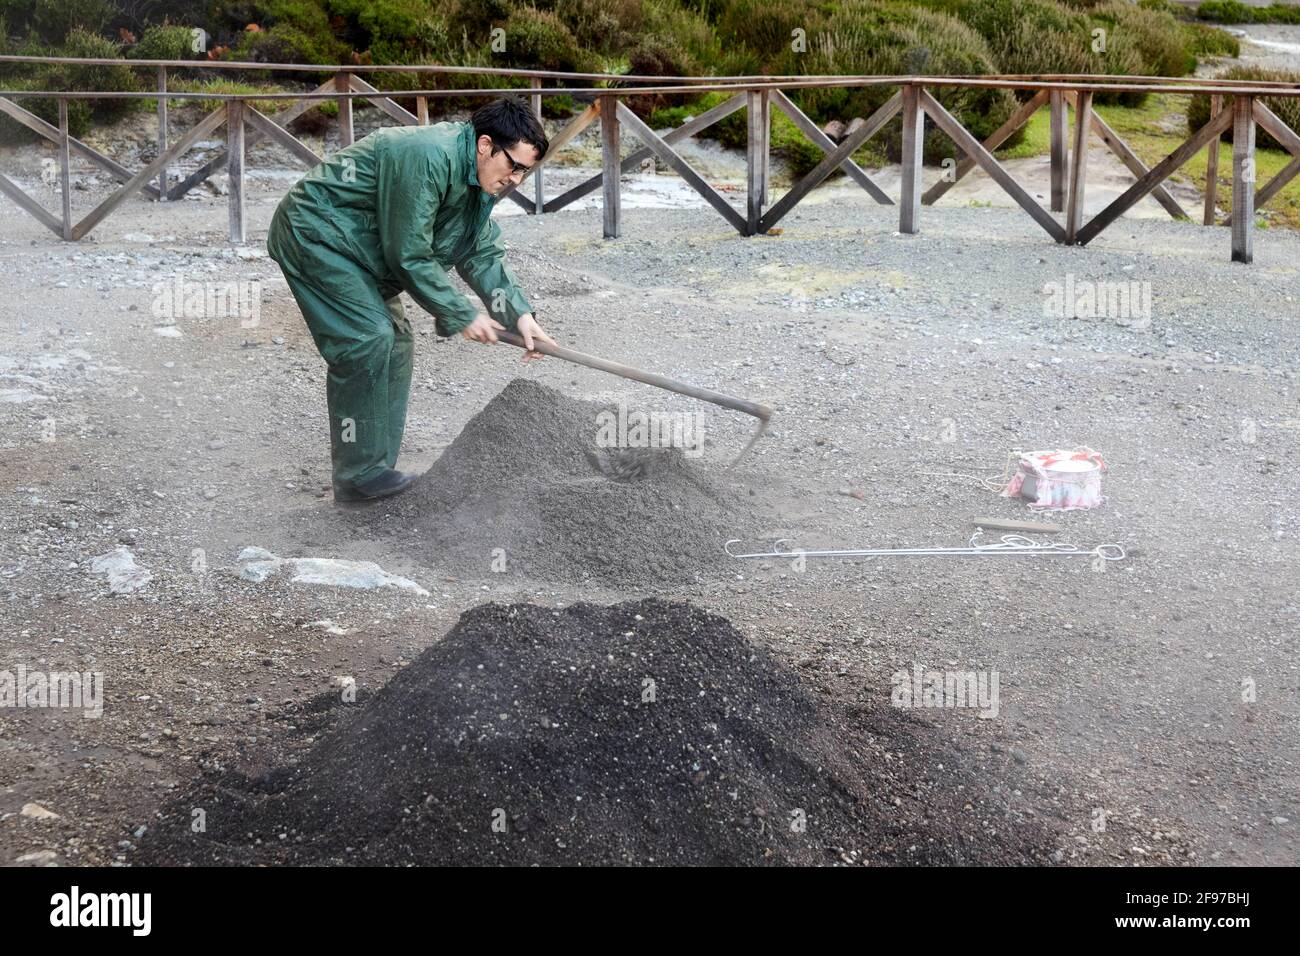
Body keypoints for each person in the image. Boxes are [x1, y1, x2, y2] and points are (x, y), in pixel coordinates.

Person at [267, 96, 555, 503]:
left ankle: (374, 469)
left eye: (527, 171)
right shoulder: (427, 157)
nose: (518, 180)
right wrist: (460, 312)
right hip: (316, 235)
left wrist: (518, 314)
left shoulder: (481, 178)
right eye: (515, 166)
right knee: (367, 338)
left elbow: (479, 250)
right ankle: (357, 477)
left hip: (364, 251)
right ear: (485, 144)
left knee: (397, 343)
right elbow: (409, 252)